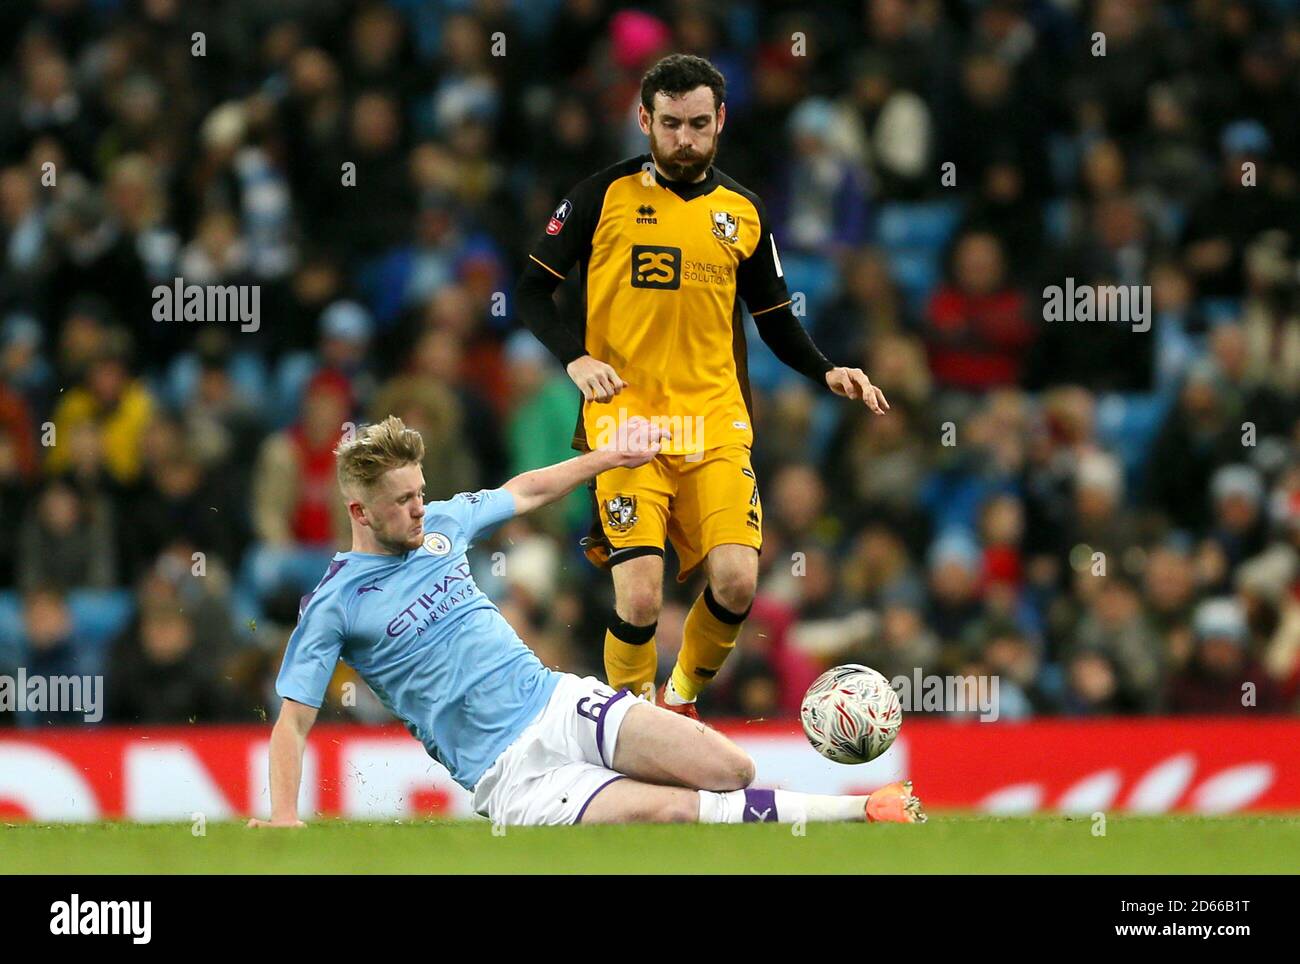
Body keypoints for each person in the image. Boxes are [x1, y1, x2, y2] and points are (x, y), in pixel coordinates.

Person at [249, 415, 924, 827]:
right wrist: (283, 819)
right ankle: (863, 808)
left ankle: (691, 805)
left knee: (730, 768)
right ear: (360, 513)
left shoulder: (444, 524)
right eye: (402, 502)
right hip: (510, 773)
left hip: (559, 700)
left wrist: (613, 456)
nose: (420, 509)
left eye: (421, 493)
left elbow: (528, 489)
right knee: (668, 808)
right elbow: (293, 721)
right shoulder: (336, 603)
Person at [516, 54, 889, 718]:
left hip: (715, 420)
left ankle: (679, 701)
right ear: (644, 121)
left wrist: (826, 368)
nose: (683, 140)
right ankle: (631, 727)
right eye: (669, 124)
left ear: (720, 120)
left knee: (739, 581)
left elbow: (773, 316)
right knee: (636, 597)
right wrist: (575, 360)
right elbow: (531, 291)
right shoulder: (601, 196)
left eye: (696, 124)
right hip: (625, 424)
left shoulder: (743, 212)